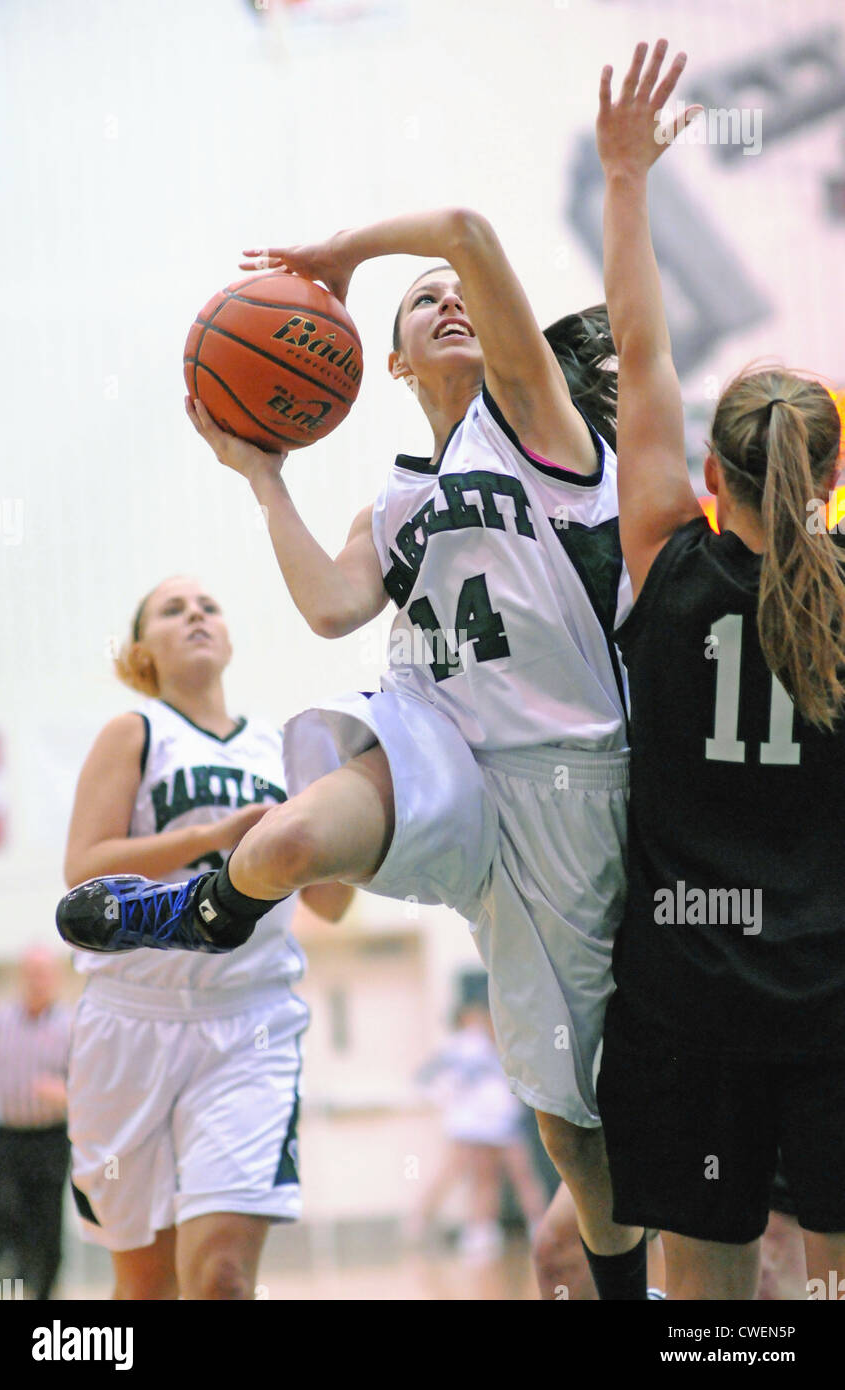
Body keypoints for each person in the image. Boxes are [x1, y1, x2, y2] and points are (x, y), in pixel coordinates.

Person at [58, 213, 648, 1298]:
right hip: (439, 746)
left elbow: (468, 230)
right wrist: (260, 474)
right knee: (285, 835)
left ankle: (629, 1294)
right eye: (421, 303)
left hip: (573, 777)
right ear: (387, 362)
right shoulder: (395, 499)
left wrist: (346, 254)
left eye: (453, 292)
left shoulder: (534, 419)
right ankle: (204, 907)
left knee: (573, 1133)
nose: (448, 300)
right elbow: (333, 609)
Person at [593, 40, 845, 1299]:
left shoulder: (661, 557)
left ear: (712, 473)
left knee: (705, 1306)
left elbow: (639, 356)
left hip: (688, 1001)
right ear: (830, 477)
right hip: (830, 994)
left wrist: (625, 179)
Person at [63, 575, 352, 1299]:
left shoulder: (282, 748)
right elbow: (82, 872)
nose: (195, 614)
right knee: (144, 1288)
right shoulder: (135, 731)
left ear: (227, 638)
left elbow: (332, 906)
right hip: (131, 1019)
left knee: (221, 1277)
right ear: (141, 651)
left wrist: (359, 804)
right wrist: (216, 835)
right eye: (171, 609)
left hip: (249, 1022)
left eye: (209, 606)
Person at [410, 999, 547, 1259]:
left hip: (504, 1122)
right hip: (473, 1125)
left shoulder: (500, 1042)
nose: (479, 1020)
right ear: (463, 1019)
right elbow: (427, 1079)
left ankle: (535, 1226)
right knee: (476, 1175)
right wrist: (446, 1099)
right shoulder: (459, 1047)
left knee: (520, 1173)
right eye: (473, 1016)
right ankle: (469, 1229)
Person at [0, 946, 71, 1299]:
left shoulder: (70, 1027)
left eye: (44, 974)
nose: (38, 981)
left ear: (55, 979)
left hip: (50, 1138)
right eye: (32, 973)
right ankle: (12, 1283)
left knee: (47, 1221)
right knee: (6, 1213)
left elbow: (89, 1087)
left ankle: (45, 1291)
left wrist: (64, 1093)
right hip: (6, 1136)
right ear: (22, 977)